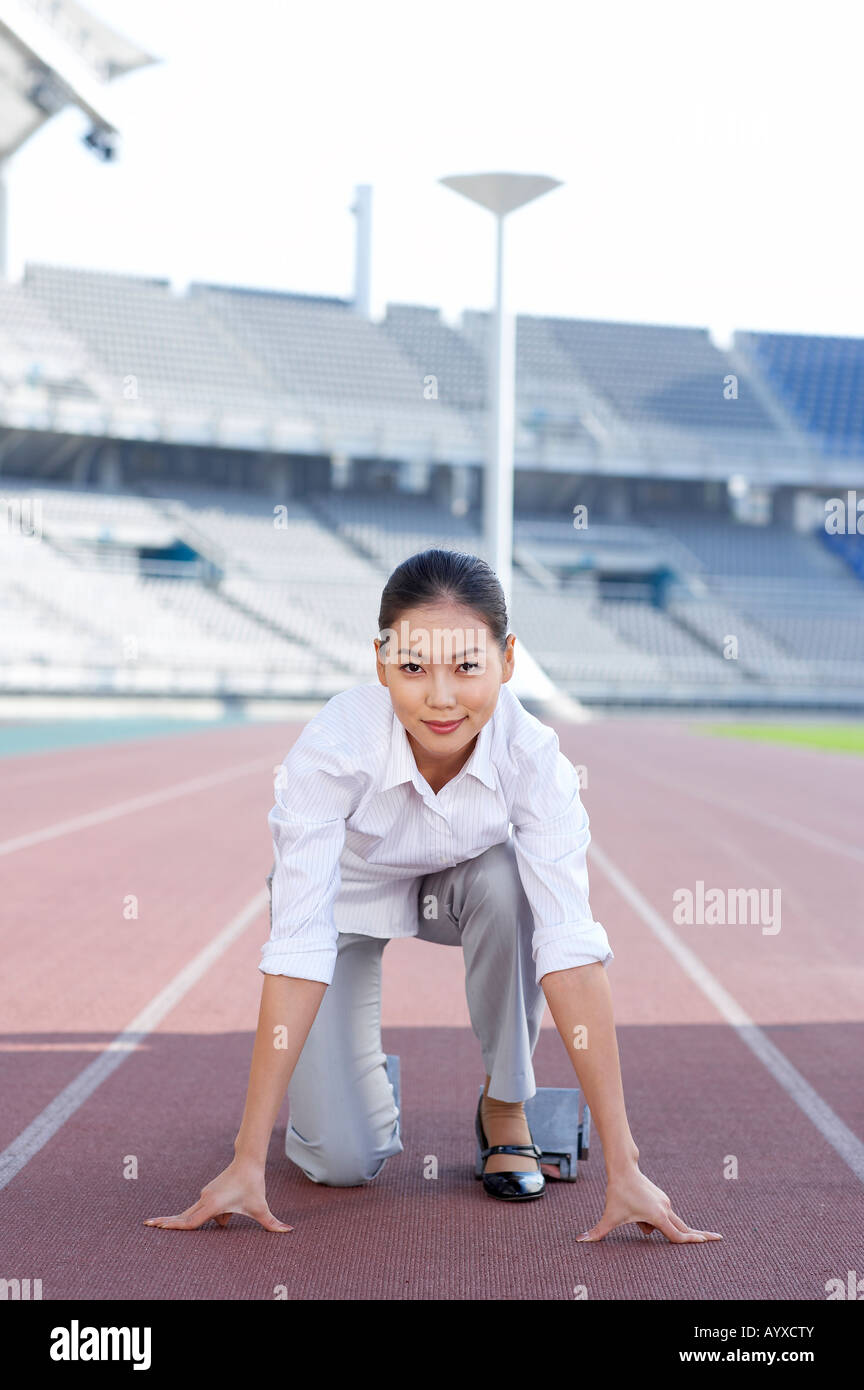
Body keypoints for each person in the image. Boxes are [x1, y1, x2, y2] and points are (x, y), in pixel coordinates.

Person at [145, 548, 722, 1244]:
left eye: (467, 667)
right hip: (350, 897)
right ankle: (355, 1075)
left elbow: (569, 949)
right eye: (414, 667)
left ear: (507, 660)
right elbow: (297, 943)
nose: (441, 697)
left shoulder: (534, 758)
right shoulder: (336, 745)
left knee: (515, 884)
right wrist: (245, 1159)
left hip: (464, 885)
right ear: (382, 660)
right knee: (338, 1161)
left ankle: (506, 1098)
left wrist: (625, 1167)